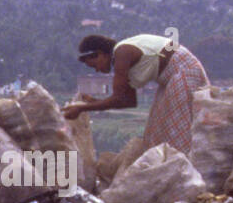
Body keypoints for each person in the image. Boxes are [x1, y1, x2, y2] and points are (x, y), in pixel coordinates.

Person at [64, 33, 210, 155]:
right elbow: (128, 101)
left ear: (101, 54)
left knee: (176, 132)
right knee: (156, 131)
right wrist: (93, 102)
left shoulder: (122, 53)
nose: (97, 70)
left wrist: (82, 108)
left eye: (95, 65)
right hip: (169, 78)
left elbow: (119, 99)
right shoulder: (121, 59)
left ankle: (183, 175)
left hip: (185, 71)